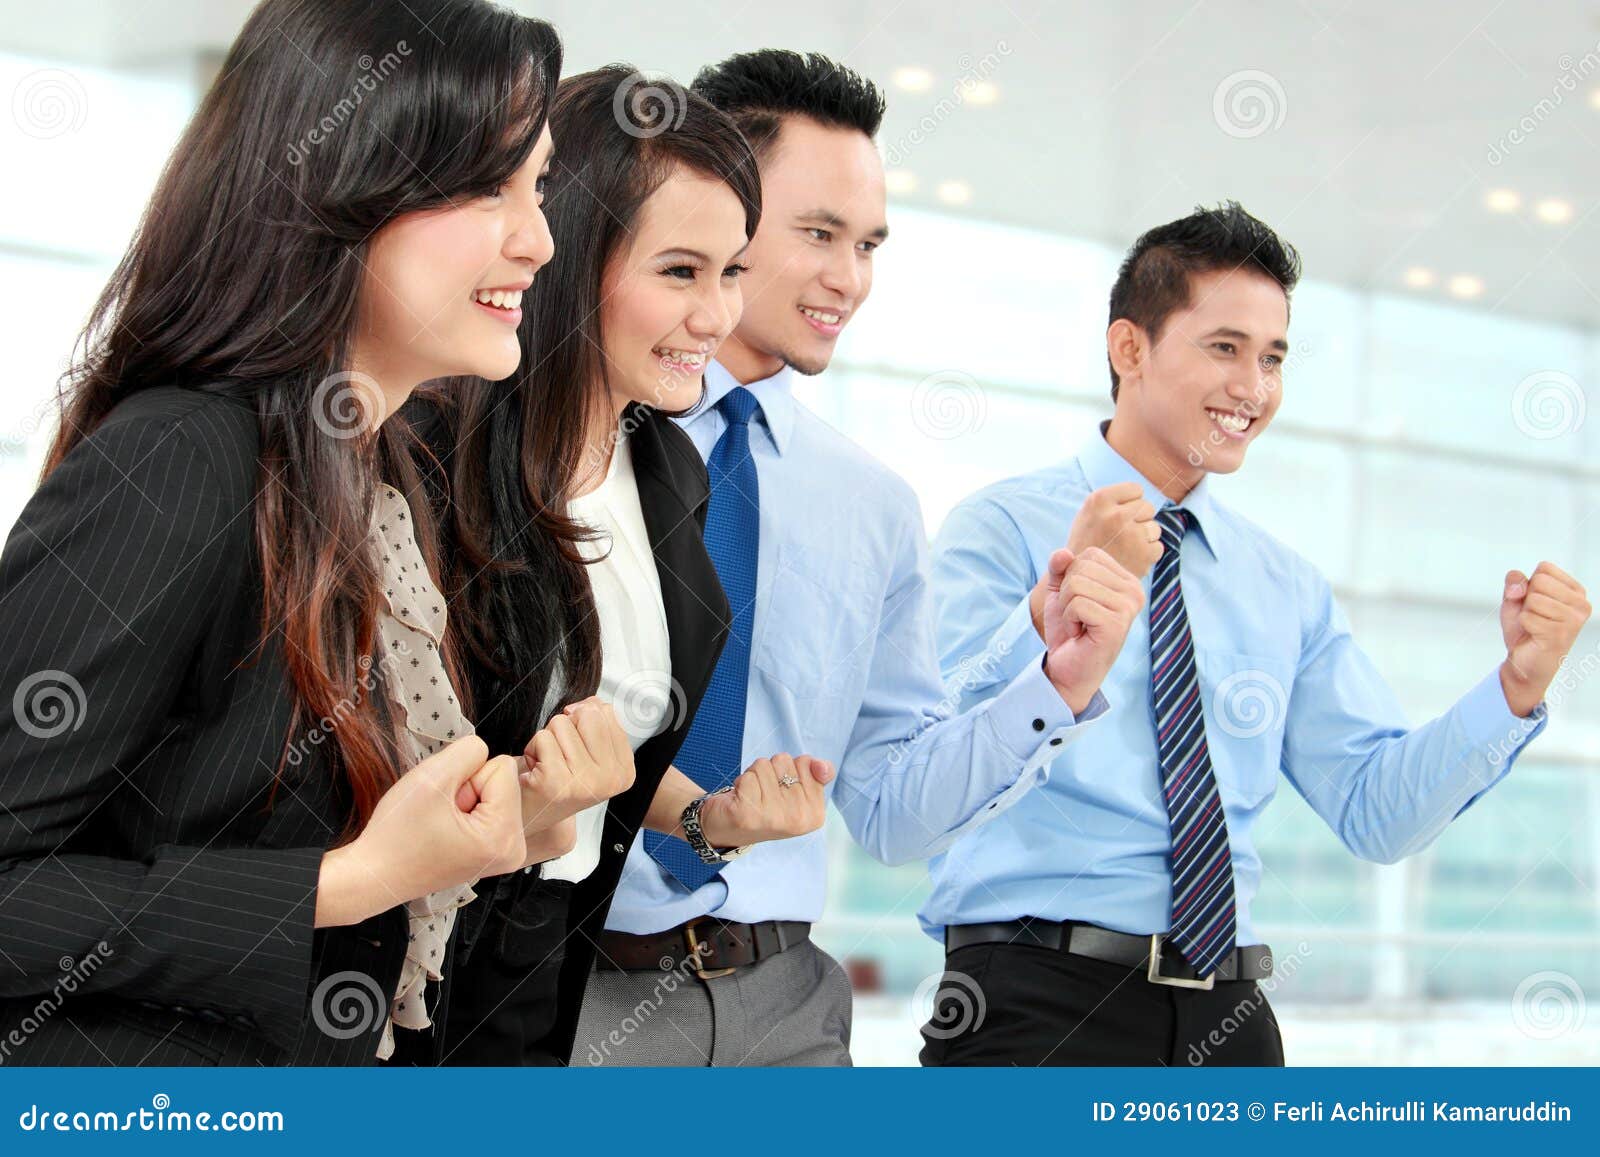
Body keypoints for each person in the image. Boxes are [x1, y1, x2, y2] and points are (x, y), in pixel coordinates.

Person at [0, 0, 625, 1065]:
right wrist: (354, 879)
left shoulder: (380, 476)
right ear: (341, 188)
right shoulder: (184, 458)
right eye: (488, 186)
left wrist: (496, 826)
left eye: (538, 185)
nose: (539, 239)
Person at [572, 50, 1145, 1067]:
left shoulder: (869, 504)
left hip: (785, 1009)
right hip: (573, 990)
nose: (849, 278)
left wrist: (1055, 682)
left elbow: (886, 804)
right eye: (819, 234)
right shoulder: (571, 439)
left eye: (869, 243)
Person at [920, 201, 1593, 1066]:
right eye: (1225, 347)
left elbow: (1376, 809)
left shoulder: (1285, 586)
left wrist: (1516, 688)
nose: (1254, 388)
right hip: (1033, 1002)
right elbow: (935, 759)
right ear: (1130, 349)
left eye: (1273, 357)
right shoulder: (1004, 527)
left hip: (1231, 1020)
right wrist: (1060, 615)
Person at [407, 66, 836, 1066]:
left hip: (548, 968)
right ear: (568, 259)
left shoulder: (668, 471)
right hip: (406, 966)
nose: (717, 315)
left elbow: (604, 745)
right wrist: (533, 803)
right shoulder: (430, 456)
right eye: (679, 272)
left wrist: (708, 815)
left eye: (732, 271)